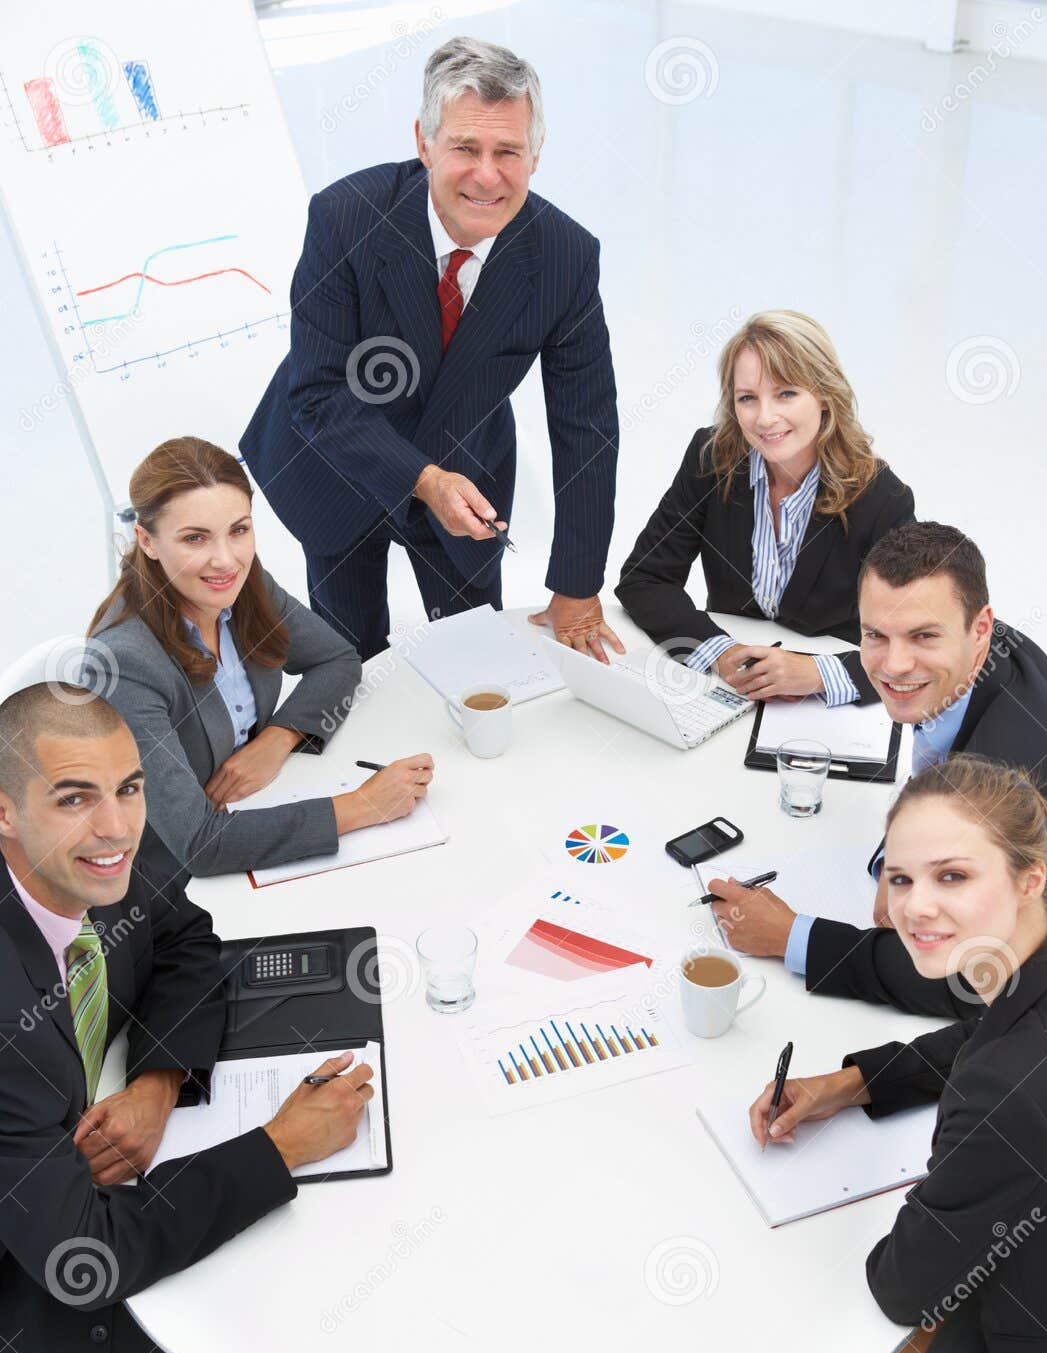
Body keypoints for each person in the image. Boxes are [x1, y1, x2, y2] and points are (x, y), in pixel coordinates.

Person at [0, 685, 371, 1353]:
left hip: (80, 1134)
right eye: (73, 798)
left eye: (128, 788)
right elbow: (80, 1260)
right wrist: (277, 1148)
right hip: (25, 1275)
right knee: (244, 1351)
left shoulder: (109, 845)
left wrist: (157, 1084)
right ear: (4, 814)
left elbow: (186, 938)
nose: (117, 827)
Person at [748, 756, 1047, 1353]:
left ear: (1028, 877)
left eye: (951, 876)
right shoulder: (1045, 957)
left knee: (808, 1326)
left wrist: (934, 1190)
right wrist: (855, 1083)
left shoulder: (1012, 1096)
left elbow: (898, 1288)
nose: (912, 908)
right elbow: (995, 1032)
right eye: (898, 877)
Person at [240, 36, 621, 664]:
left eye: (509, 151)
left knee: (478, 663)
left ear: (536, 153)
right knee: (349, 666)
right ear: (423, 141)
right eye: (465, 148)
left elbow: (587, 426)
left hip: (466, 467)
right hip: (337, 461)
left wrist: (577, 586)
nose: (487, 175)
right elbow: (319, 393)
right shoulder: (346, 217)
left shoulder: (566, 255)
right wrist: (423, 480)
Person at [708, 522, 1047, 1016]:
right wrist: (894, 862)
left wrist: (797, 939)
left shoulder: (1007, 788)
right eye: (875, 635)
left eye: (923, 636)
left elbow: (982, 975)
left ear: (979, 628)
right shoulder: (986, 653)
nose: (894, 666)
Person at [86, 437, 434, 879]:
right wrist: (362, 805)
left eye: (239, 530)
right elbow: (198, 844)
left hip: (259, 805)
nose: (225, 559)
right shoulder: (124, 664)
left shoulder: (244, 582)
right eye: (195, 538)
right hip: (167, 876)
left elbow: (338, 660)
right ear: (147, 542)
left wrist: (278, 739)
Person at [615, 310, 914, 705]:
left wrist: (817, 674)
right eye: (748, 398)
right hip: (727, 690)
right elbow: (644, 579)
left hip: (823, 708)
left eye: (786, 393)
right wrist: (719, 653)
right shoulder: (711, 460)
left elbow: (913, 641)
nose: (765, 418)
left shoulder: (882, 498)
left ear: (825, 396)